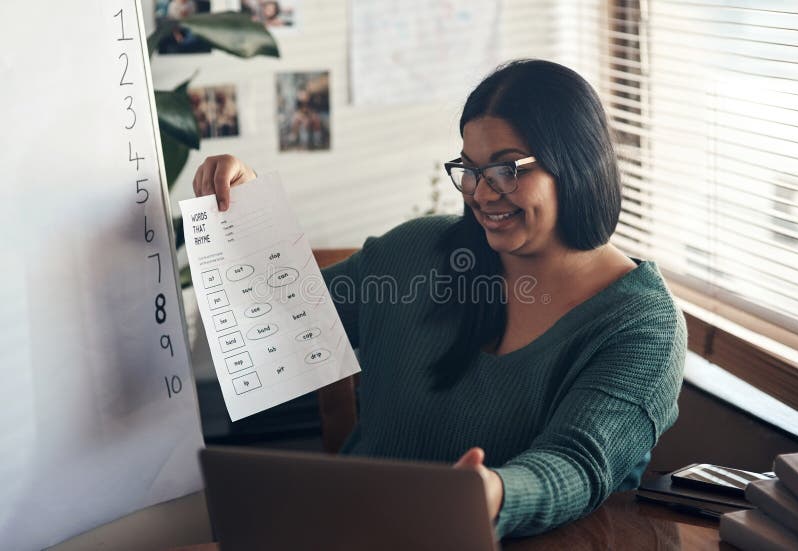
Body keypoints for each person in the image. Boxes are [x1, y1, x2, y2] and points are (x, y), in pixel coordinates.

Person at [191, 59, 686, 539]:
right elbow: (282, 314)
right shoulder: (414, 252)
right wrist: (245, 209)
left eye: (507, 168)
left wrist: (492, 492)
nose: (481, 192)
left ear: (576, 164)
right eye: (469, 168)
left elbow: (577, 464)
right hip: (356, 533)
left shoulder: (643, 324)